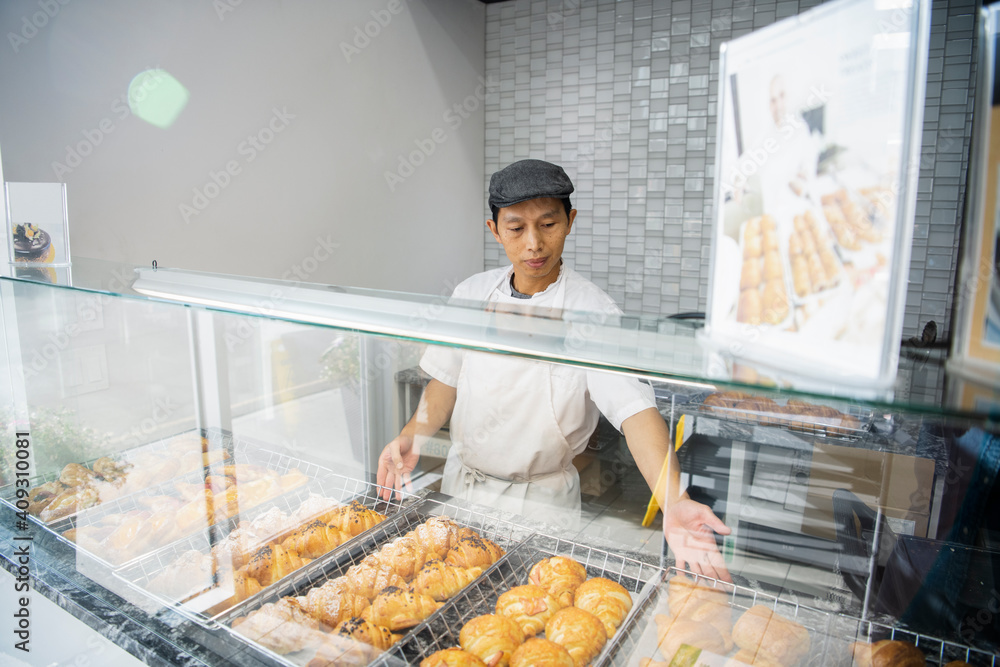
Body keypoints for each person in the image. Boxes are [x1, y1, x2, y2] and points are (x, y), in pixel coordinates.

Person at [377, 159, 731, 581]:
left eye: (548, 224)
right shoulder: (471, 294)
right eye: (515, 228)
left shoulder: (592, 311)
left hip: (542, 503)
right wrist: (410, 436)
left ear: (570, 221)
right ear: (494, 230)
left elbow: (635, 412)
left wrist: (674, 499)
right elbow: (445, 382)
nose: (534, 244)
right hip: (463, 490)